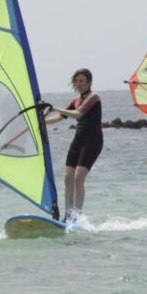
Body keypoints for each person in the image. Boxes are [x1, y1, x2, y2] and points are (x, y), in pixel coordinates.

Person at [45, 68, 103, 222]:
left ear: (89, 82)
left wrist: (55, 107)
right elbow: (60, 117)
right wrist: (41, 122)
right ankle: (67, 215)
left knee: (78, 178)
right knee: (67, 178)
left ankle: (77, 215)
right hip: (79, 139)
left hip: (93, 141)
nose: (79, 84)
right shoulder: (74, 100)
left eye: (82, 81)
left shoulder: (93, 97)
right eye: (76, 81)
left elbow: (78, 114)